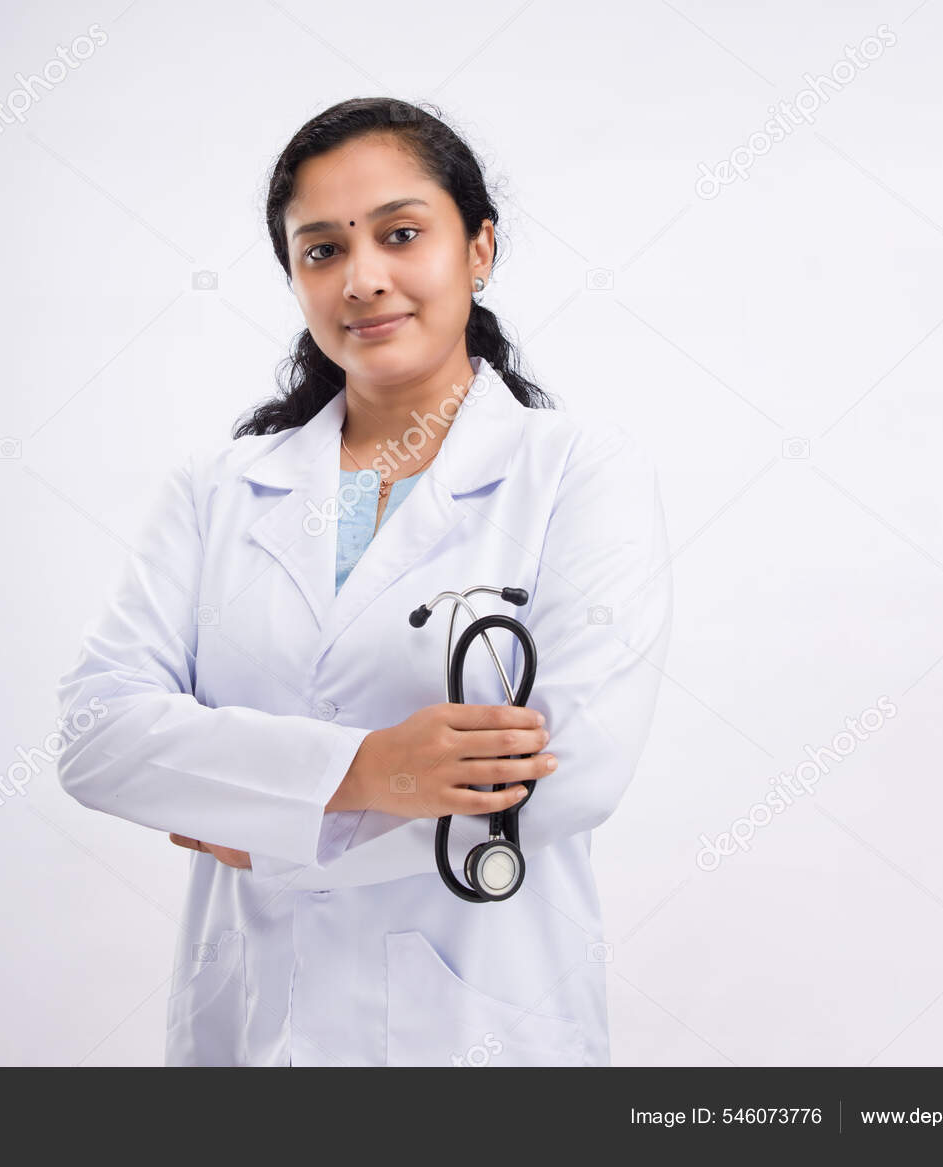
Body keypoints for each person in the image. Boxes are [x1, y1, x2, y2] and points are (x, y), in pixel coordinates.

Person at [56, 97, 672, 1066]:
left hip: (483, 1027)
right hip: (257, 1025)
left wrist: (257, 816)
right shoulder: (217, 489)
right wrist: (369, 772)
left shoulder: (576, 471)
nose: (364, 279)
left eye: (400, 234)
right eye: (322, 251)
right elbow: (97, 735)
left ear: (477, 249)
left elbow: (567, 773)